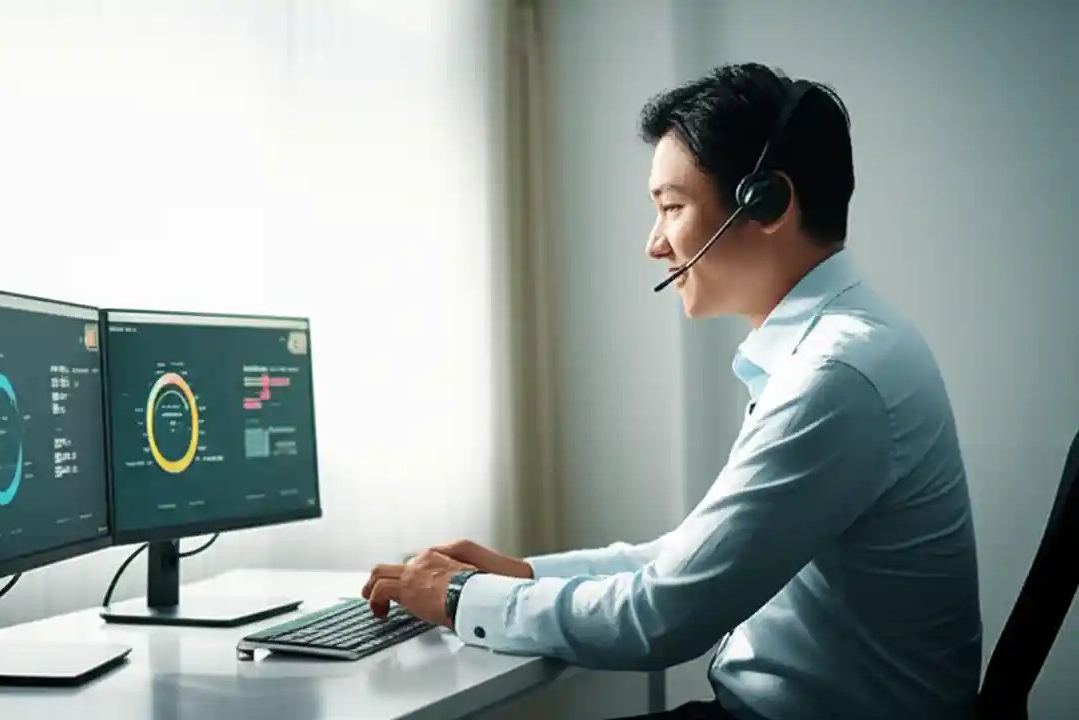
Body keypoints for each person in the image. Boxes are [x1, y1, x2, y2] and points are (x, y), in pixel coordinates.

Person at [360, 62, 982, 719]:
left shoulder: (835, 377)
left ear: (766, 203)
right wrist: (524, 574)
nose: (655, 243)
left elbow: (663, 617)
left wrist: (460, 598)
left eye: (671, 208)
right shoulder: (845, 348)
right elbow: (686, 561)